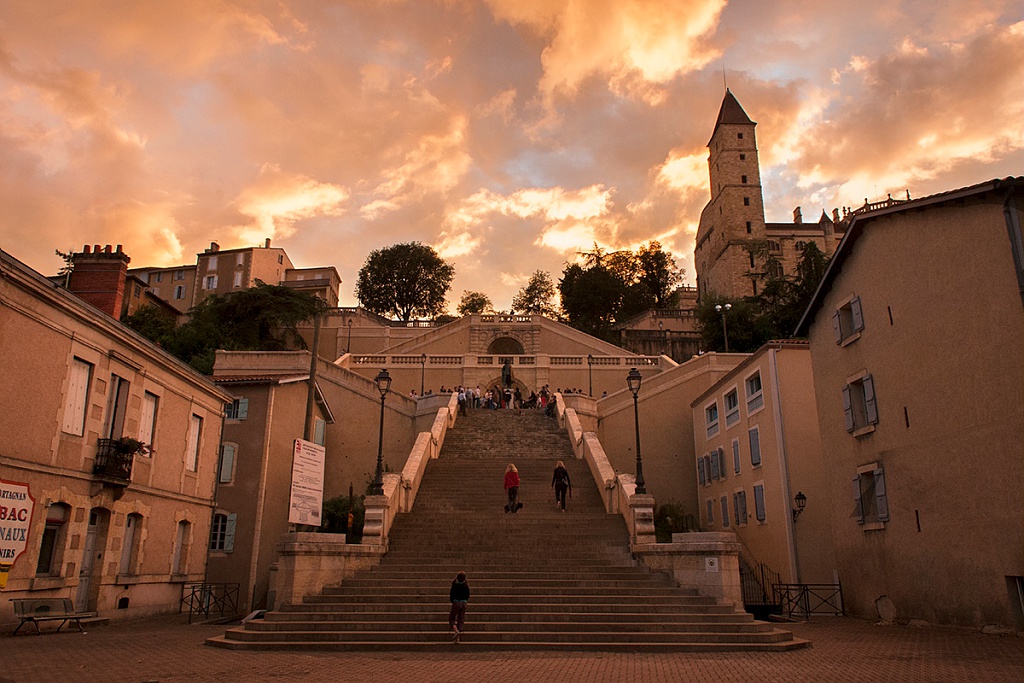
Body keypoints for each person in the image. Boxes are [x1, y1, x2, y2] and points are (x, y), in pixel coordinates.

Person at [448, 571, 470, 642]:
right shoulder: (465, 585)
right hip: (464, 603)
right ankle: (458, 637)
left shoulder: (455, 584)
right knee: (461, 619)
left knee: (452, 618)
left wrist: (452, 600)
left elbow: (452, 593)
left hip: (456, 602)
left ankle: (456, 630)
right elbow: (468, 595)